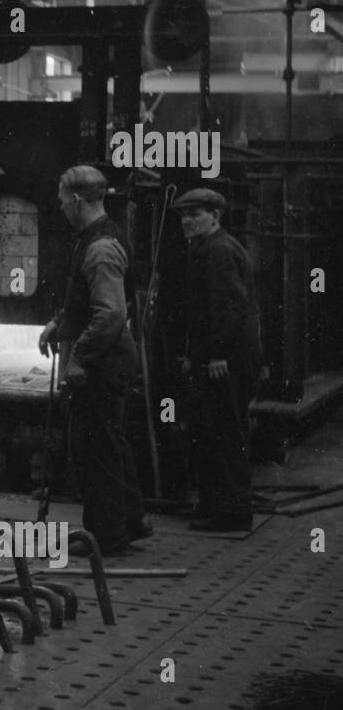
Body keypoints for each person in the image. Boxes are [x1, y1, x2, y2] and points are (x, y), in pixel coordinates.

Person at [37, 165, 151, 556]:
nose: (61, 208)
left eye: (62, 201)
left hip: (103, 363)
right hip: (109, 358)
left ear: (77, 200)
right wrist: (59, 323)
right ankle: (130, 521)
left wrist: (80, 360)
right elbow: (85, 301)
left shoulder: (100, 247)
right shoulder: (94, 237)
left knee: (95, 448)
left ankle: (107, 536)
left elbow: (110, 314)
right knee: (111, 442)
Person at [173, 187, 262, 533]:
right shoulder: (207, 249)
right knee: (207, 430)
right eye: (183, 215)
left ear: (215, 216)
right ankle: (213, 505)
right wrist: (194, 357)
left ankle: (233, 512)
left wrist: (217, 355)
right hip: (214, 357)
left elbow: (227, 308)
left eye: (194, 215)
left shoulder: (219, 251)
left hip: (228, 359)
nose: (187, 221)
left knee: (225, 432)